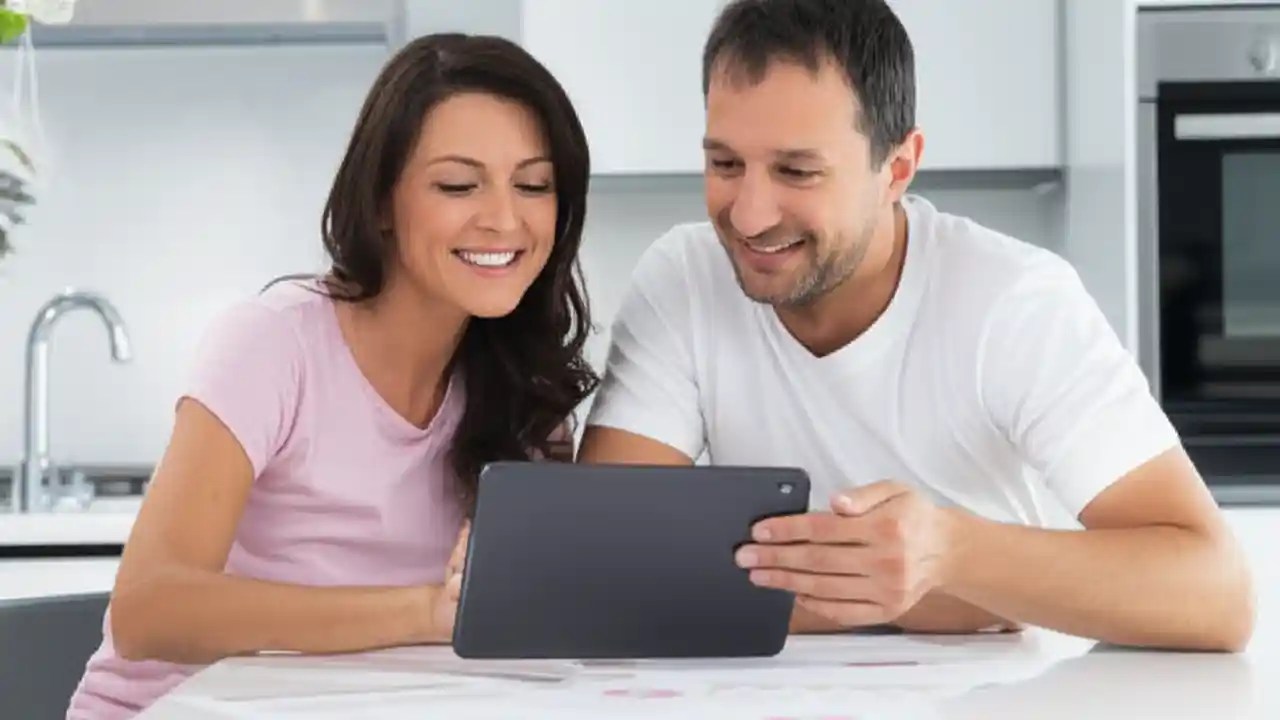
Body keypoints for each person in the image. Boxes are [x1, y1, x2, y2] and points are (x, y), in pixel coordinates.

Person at [579, 0, 1255, 651]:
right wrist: (948, 601)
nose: (750, 215)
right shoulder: (683, 279)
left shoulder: (1013, 300)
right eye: (725, 164)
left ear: (896, 168)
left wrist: (950, 554)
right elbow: (597, 564)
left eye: (797, 171)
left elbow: (1216, 595)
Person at [68, 33, 597, 718]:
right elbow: (149, 608)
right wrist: (424, 612)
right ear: (380, 201)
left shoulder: (526, 387)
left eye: (533, 185)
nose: (503, 218)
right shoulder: (276, 343)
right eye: (458, 184)